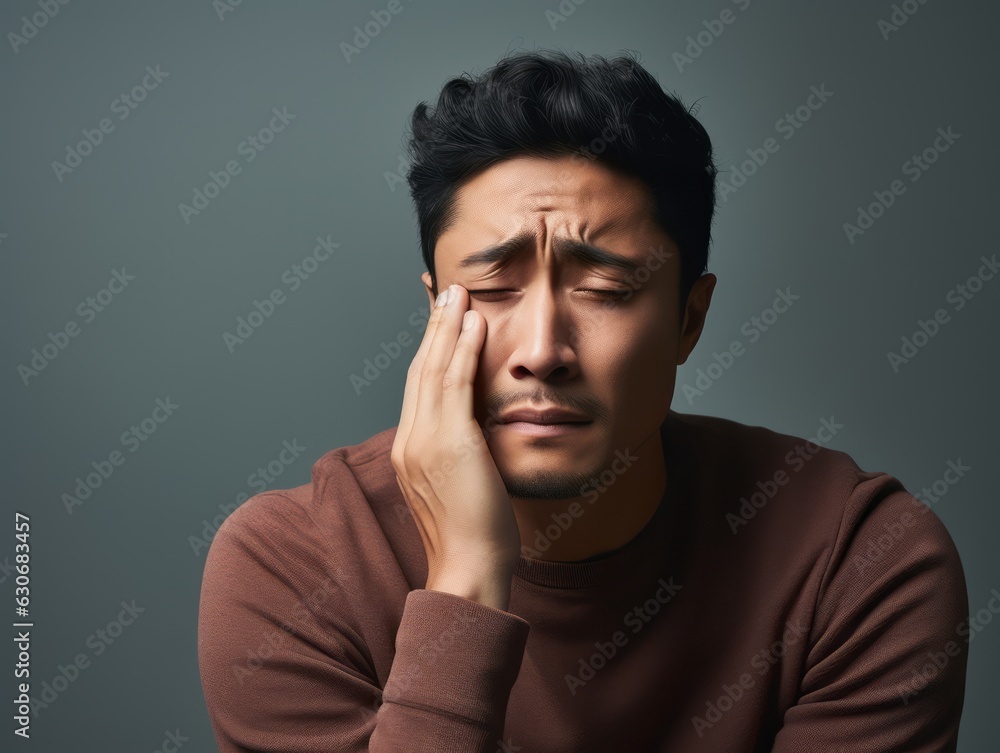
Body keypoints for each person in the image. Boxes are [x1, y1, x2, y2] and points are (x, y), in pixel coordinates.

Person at [198, 49, 968, 752]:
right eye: (494, 288)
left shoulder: (856, 560)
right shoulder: (295, 565)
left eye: (604, 288)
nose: (542, 350)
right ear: (435, 310)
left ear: (687, 321)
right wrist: (465, 579)